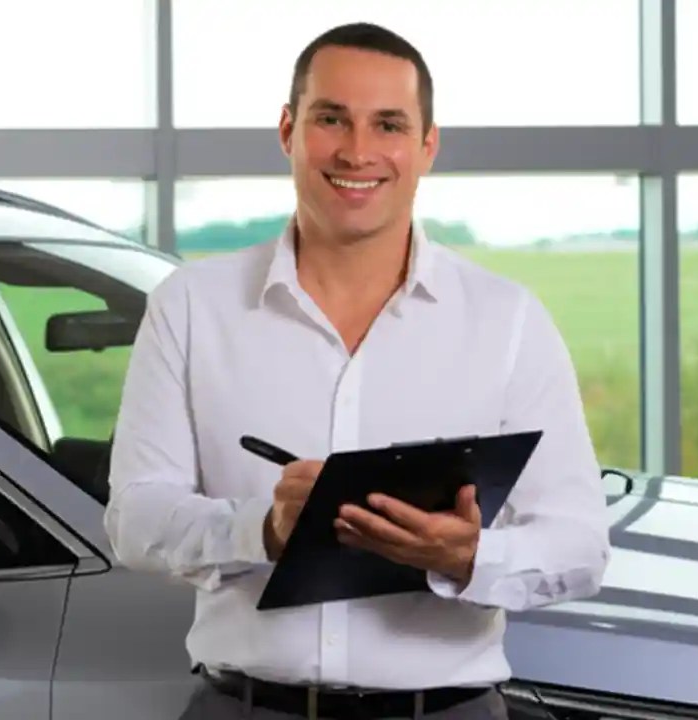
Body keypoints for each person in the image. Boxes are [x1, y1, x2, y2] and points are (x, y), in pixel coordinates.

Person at [104, 21, 610, 720]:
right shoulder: (192, 307)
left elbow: (580, 545)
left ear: (427, 145)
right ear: (288, 129)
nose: (358, 151)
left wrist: (468, 557)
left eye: (389, 125)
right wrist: (264, 530)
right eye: (331, 118)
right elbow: (135, 518)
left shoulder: (508, 320)